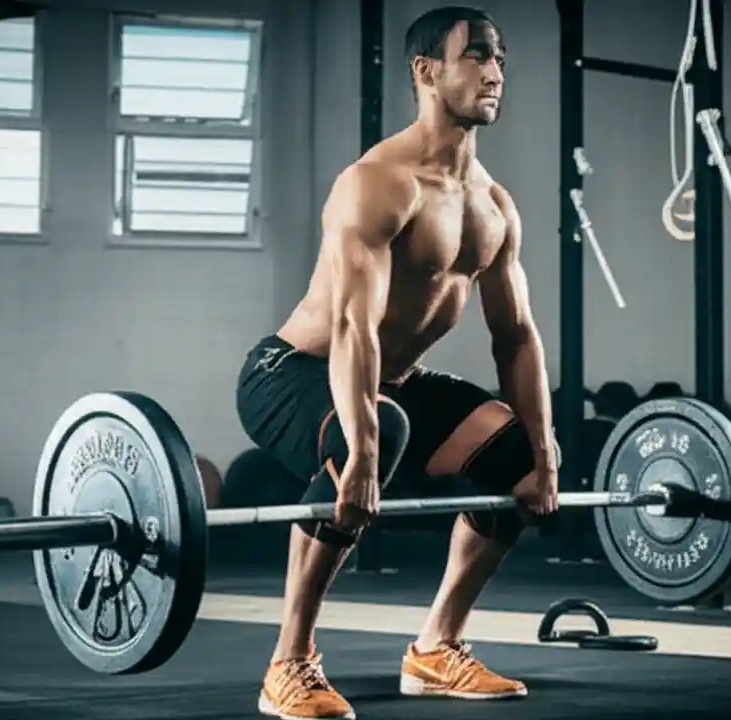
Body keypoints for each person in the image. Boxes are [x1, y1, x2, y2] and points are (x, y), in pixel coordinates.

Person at [234, 7, 557, 719]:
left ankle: (436, 649)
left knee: (512, 452)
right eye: (475, 56)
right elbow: (355, 324)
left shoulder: (494, 205)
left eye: (499, 59)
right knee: (369, 429)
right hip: (288, 373)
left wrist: (545, 448)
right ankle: (288, 663)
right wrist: (362, 454)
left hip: (389, 382)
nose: (496, 73)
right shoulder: (377, 183)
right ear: (426, 71)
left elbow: (517, 336)